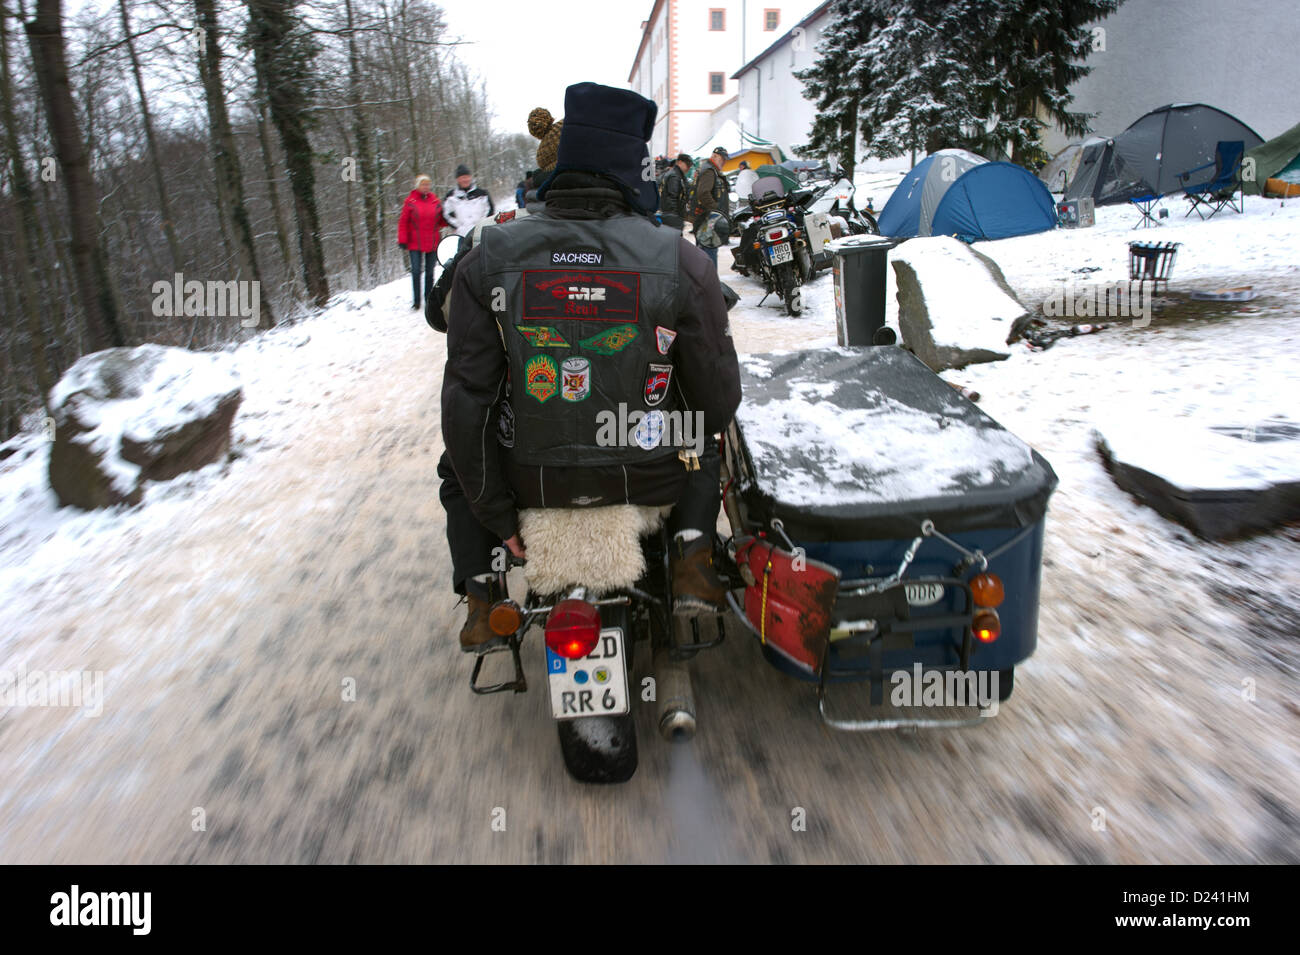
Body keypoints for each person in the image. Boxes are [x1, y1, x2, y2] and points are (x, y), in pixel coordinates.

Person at [440, 82, 741, 654]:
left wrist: (499, 515)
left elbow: (465, 407)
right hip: (652, 474)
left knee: (456, 460)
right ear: (635, 170)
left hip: (527, 477)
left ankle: (483, 600)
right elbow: (718, 401)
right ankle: (691, 561)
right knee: (707, 437)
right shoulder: (683, 261)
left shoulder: (487, 260)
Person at [397, 174, 447, 310]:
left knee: (430, 272)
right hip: (415, 242)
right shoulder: (410, 201)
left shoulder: (435, 201)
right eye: (423, 184)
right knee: (416, 271)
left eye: (427, 184)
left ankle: (428, 299)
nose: (426, 187)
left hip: (432, 241)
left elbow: (441, 220)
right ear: (417, 186)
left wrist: (449, 218)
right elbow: (403, 222)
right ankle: (416, 301)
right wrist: (402, 239)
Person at [691, 146, 729, 266]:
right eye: (722, 158)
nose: (724, 162)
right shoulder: (709, 170)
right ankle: (708, 283)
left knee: (705, 254)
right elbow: (703, 193)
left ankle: (705, 281)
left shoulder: (710, 170)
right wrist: (716, 210)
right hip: (708, 220)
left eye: (725, 159)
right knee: (708, 255)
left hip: (707, 219)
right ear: (714, 156)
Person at [443, 164, 495, 237]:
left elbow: (490, 210)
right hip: (461, 234)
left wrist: (482, 224)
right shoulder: (451, 196)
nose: (464, 180)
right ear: (457, 179)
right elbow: (447, 214)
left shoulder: (482, 194)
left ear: (470, 177)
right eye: (462, 178)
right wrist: (458, 227)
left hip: (481, 233)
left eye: (466, 177)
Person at [657, 153, 691, 229]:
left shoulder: (678, 175)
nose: (689, 168)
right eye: (687, 165)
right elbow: (672, 197)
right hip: (673, 215)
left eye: (690, 165)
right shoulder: (674, 175)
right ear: (679, 162)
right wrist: (675, 216)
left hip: (673, 214)